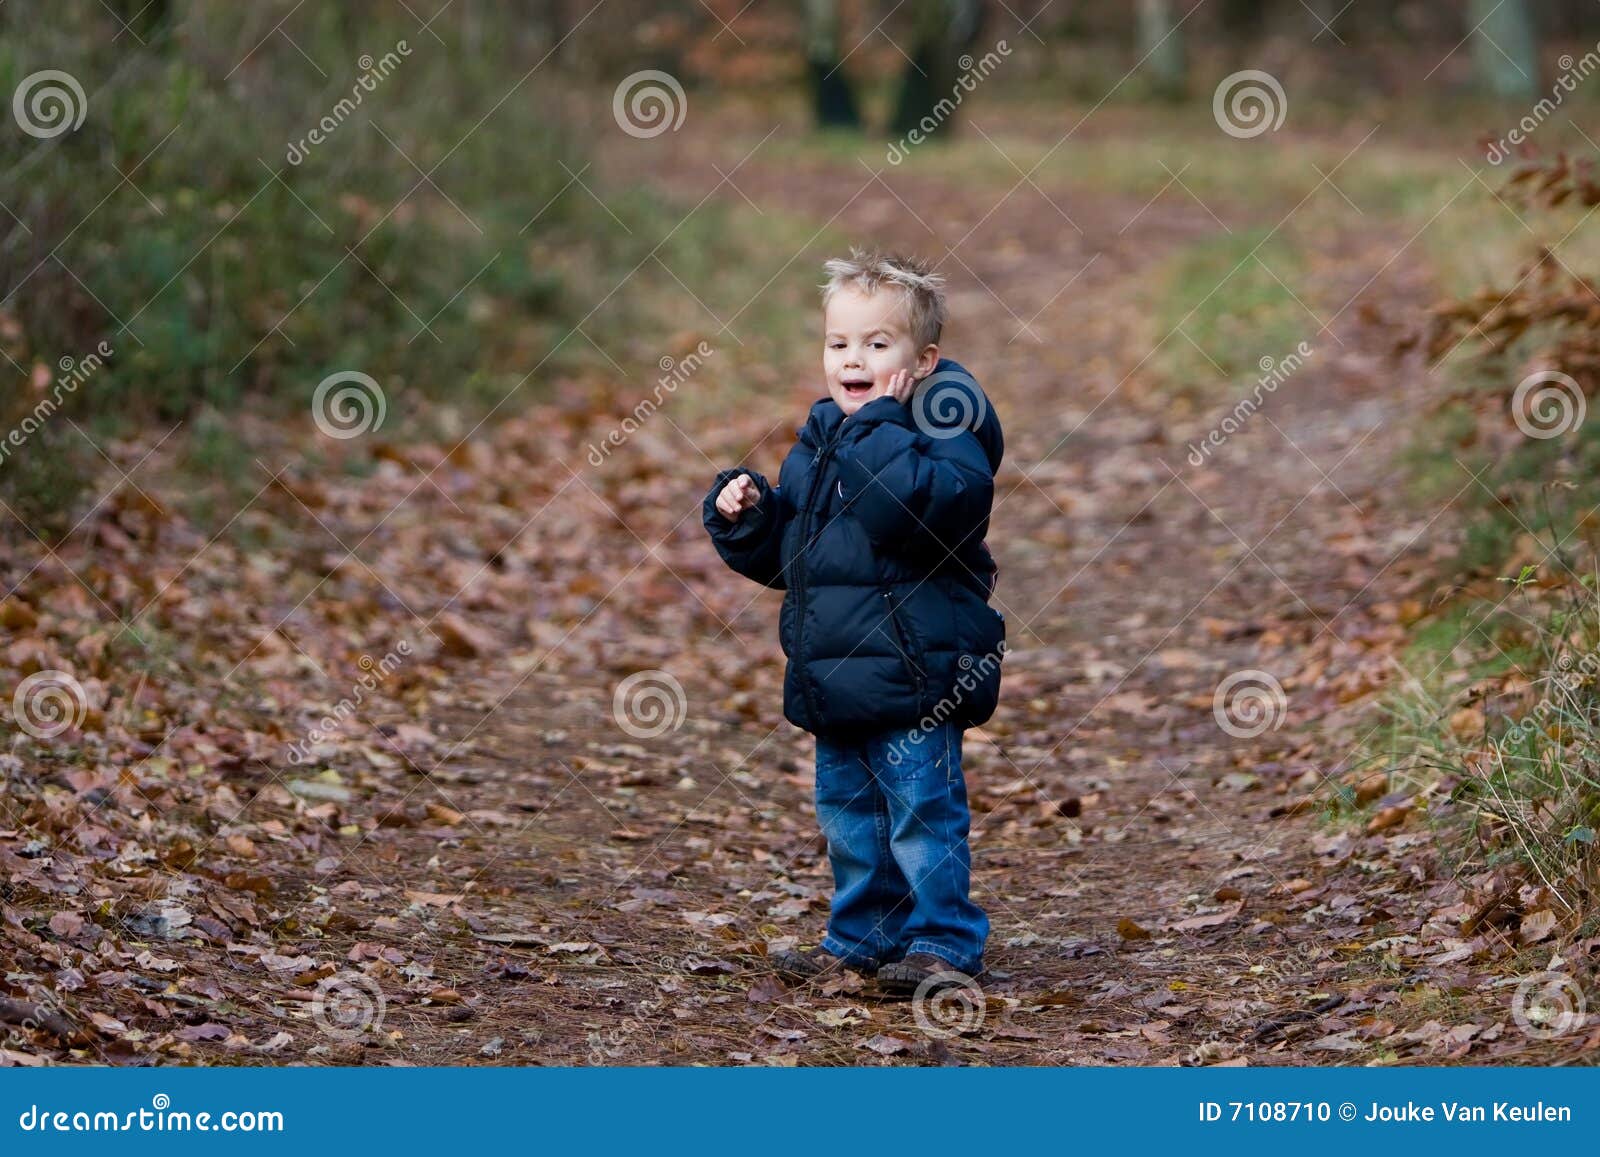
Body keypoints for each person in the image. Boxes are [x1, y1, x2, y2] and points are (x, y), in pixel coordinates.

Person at [702, 248, 1005, 995]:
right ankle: (864, 935)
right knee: (851, 821)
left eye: (877, 344)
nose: (853, 359)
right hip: (837, 673)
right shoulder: (823, 437)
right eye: (839, 344)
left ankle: (943, 938)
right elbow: (802, 559)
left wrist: (876, 428)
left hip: (915, 672)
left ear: (923, 358)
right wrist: (749, 519)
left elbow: (913, 510)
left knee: (921, 814)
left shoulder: (942, 428)